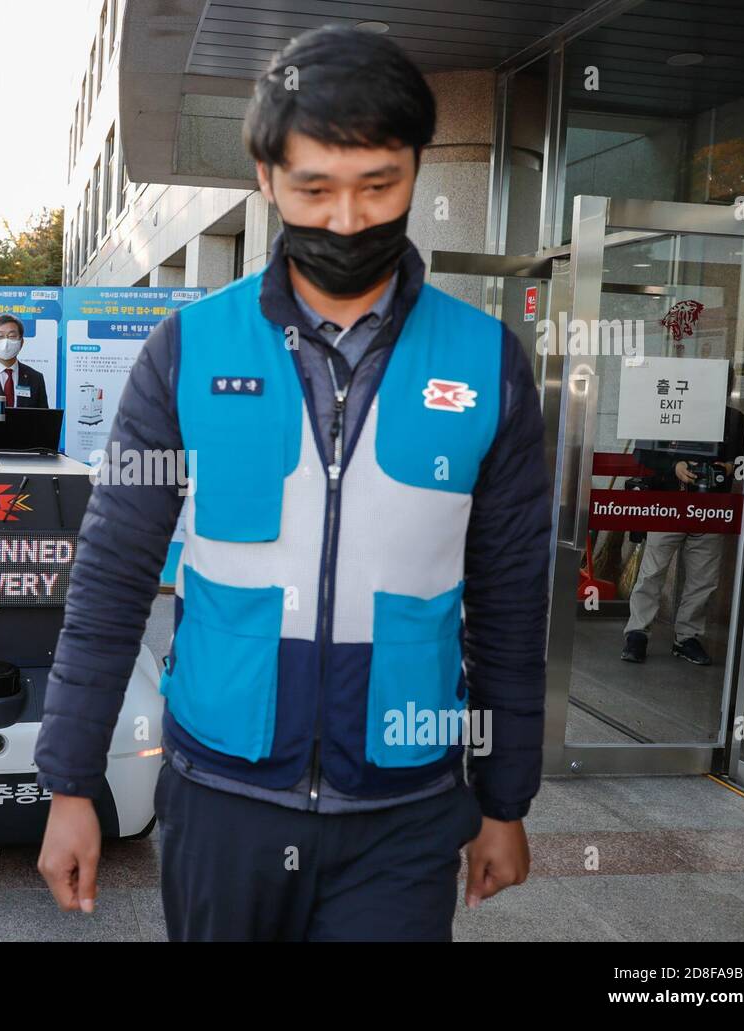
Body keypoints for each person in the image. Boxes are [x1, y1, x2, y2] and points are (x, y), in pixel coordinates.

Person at [33, 26, 550, 941]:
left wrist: (505, 797)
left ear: (418, 169)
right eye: (315, 188)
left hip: (403, 810)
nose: (347, 219)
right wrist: (72, 783)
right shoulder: (189, 350)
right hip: (222, 796)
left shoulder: (487, 361)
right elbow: (113, 573)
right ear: (265, 179)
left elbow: (511, 598)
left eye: (379, 185)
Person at [620, 373, 744, 666]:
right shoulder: (670, 409)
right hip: (670, 503)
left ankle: (687, 637)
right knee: (652, 572)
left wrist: (728, 467)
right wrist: (674, 465)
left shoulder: (733, 419)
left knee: (704, 578)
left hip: (711, 507)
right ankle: (637, 632)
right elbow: (643, 454)